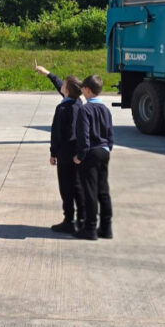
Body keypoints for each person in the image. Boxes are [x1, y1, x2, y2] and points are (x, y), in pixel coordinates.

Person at [35, 65, 85, 234]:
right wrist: (48, 73)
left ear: (67, 91)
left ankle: (69, 220)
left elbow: (57, 134)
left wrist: (53, 153)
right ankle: (82, 220)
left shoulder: (62, 109)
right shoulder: (78, 102)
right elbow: (62, 88)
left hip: (65, 153)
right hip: (79, 153)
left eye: (64, 84)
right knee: (78, 186)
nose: (61, 85)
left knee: (66, 187)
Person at [73, 74, 114, 241]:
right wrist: (108, 147)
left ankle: (90, 228)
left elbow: (84, 136)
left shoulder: (85, 109)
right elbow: (110, 132)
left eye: (83, 89)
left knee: (90, 191)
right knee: (103, 190)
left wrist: (80, 156)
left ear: (87, 90)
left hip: (91, 153)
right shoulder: (105, 109)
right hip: (104, 151)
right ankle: (106, 228)